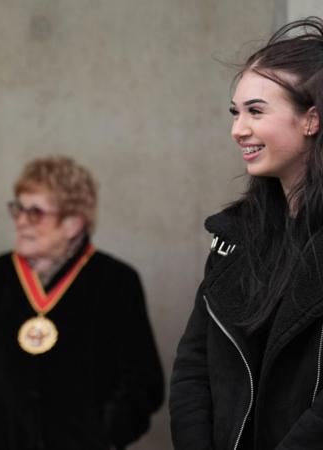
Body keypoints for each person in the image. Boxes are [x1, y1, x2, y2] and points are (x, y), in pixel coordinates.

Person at [0, 156, 164, 450]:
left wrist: (105, 435)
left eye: (35, 213)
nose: (21, 221)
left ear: (73, 223)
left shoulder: (116, 282)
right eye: (18, 209)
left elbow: (143, 380)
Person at [170, 17, 323, 450]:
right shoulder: (234, 237)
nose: (238, 129)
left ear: (311, 119)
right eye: (236, 112)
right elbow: (193, 369)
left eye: (256, 111)